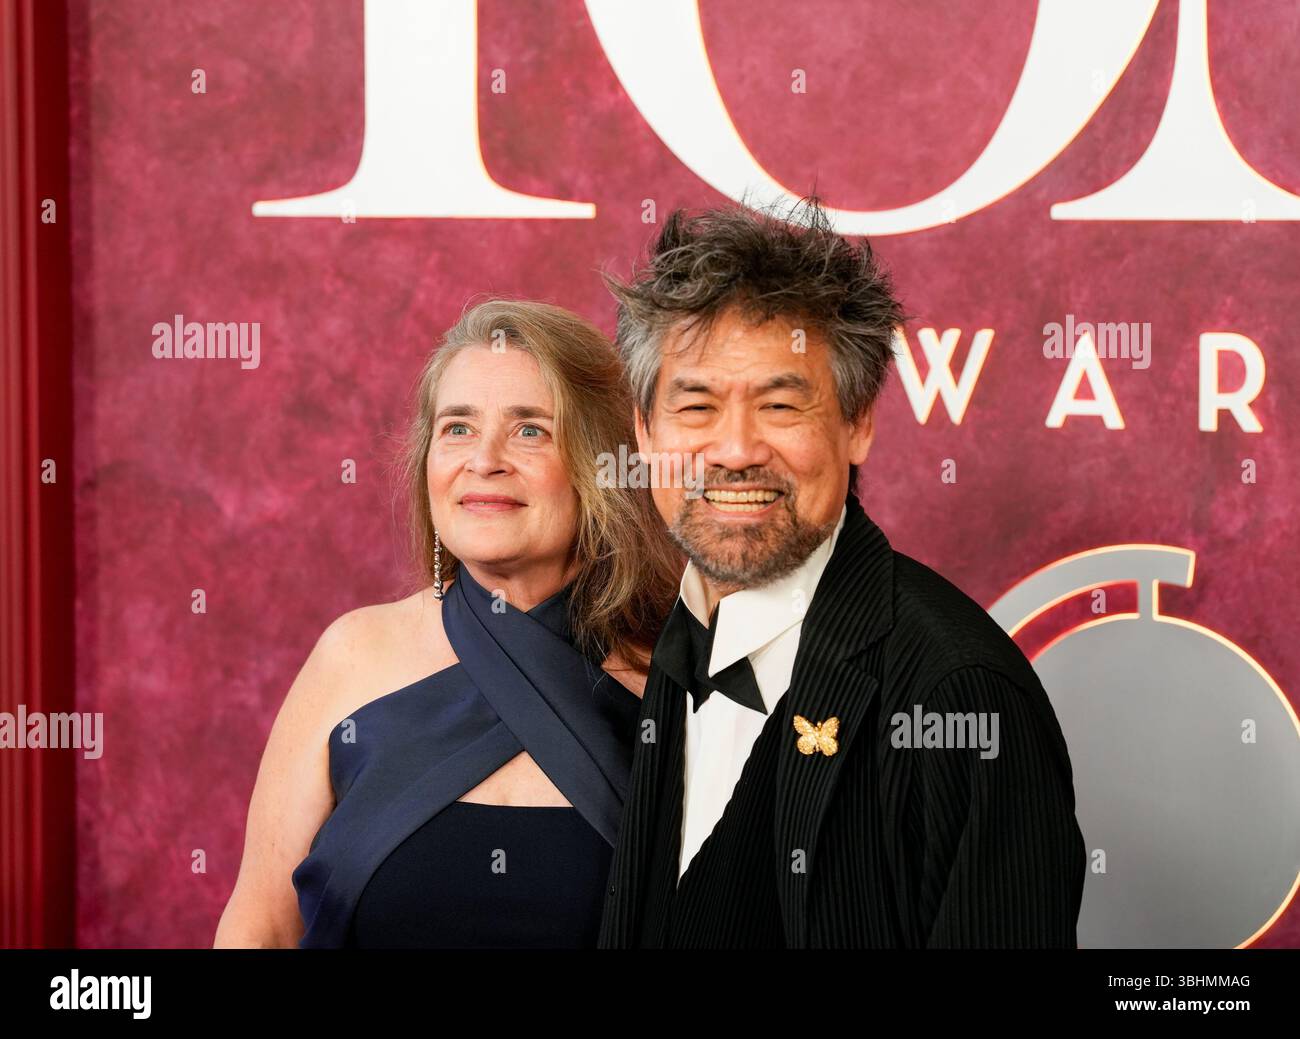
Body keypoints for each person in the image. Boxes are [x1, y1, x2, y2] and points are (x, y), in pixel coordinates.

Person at [598, 196, 1088, 948]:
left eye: (780, 405)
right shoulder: (678, 637)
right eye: (695, 407)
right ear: (644, 430)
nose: (734, 449)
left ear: (858, 421)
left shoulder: (959, 695)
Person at [214, 299, 679, 948]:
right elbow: (259, 926)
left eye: (530, 430)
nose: (483, 459)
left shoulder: (676, 678)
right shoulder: (353, 655)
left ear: (599, 466)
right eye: (457, 428)